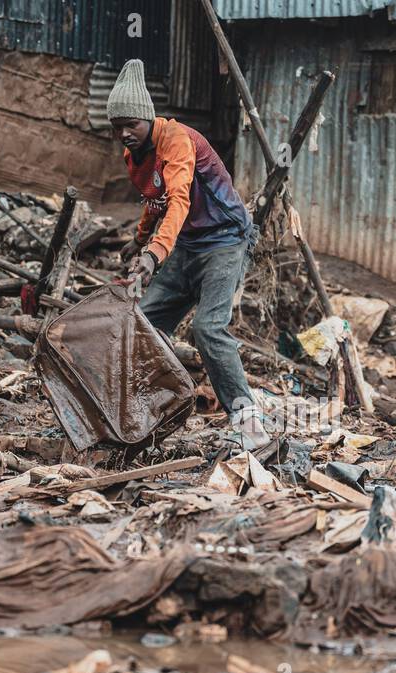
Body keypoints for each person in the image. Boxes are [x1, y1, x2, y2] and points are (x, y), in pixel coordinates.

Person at [107, 58, 270, 451]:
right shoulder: (135, 156)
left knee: (208, 329)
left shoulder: (177, 140)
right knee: (142, 324)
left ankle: (250, 426)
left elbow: (177, 199)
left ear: (148, 118)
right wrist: (139, 239)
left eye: (132, 124)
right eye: (118, 126)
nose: (125, 133)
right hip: (189, 243)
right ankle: (145, 414)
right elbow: (156, 199)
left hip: (226, 240)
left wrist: (152, 256)